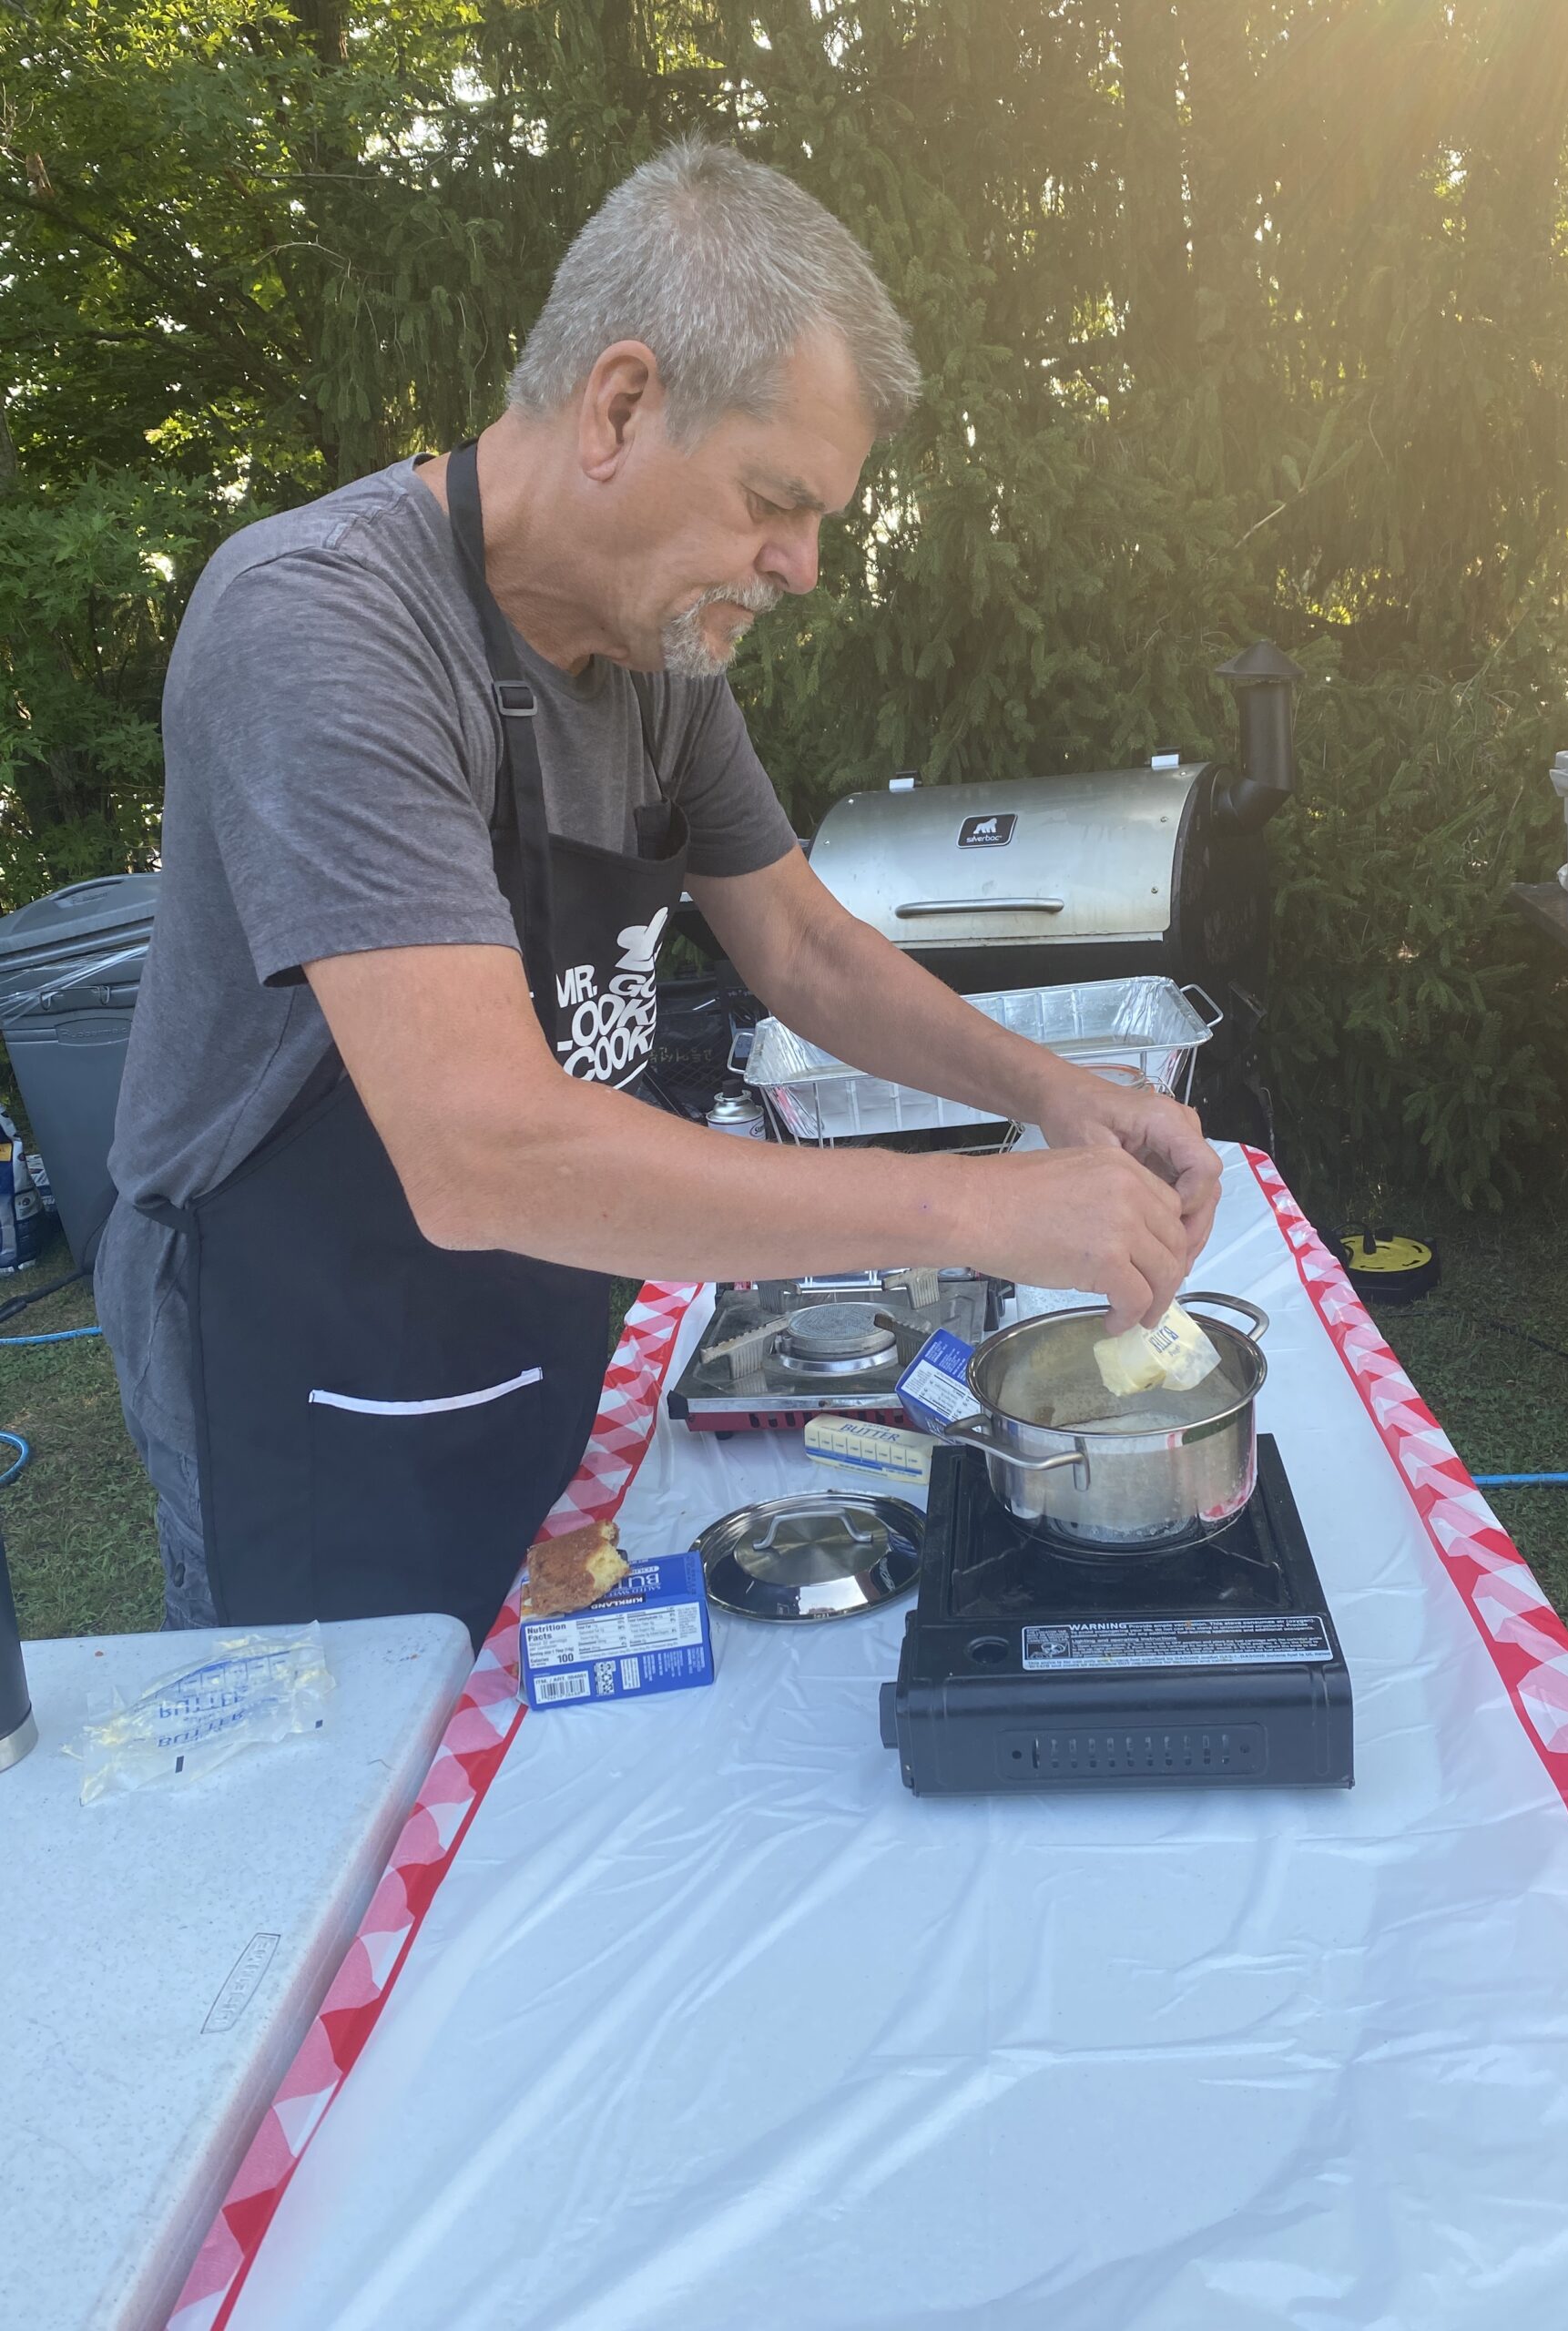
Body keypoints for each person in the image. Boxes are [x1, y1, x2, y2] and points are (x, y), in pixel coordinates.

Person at [97, 137, 1223, 1644]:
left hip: (541, 1298)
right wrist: (972, 1204)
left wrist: (1057, 1094)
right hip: (304, 1351)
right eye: (779, 499)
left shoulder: (660, 660)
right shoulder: (321, 626)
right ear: (620, 404)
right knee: (360, 1827)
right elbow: (481, 1151)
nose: (804, 567)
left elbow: (807, 953)